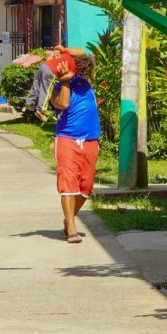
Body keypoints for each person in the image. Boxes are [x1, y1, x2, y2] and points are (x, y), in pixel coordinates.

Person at [49, 48, 100, 244]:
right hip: (67, 139)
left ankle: (68, 218)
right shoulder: (58, 88)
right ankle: (71, 227)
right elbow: (62, 104)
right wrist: (64, 80)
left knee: (86, 187)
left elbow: (86, 53)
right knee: (68, 185)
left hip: (91, 139)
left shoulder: (88, 82)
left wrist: (63, 50)